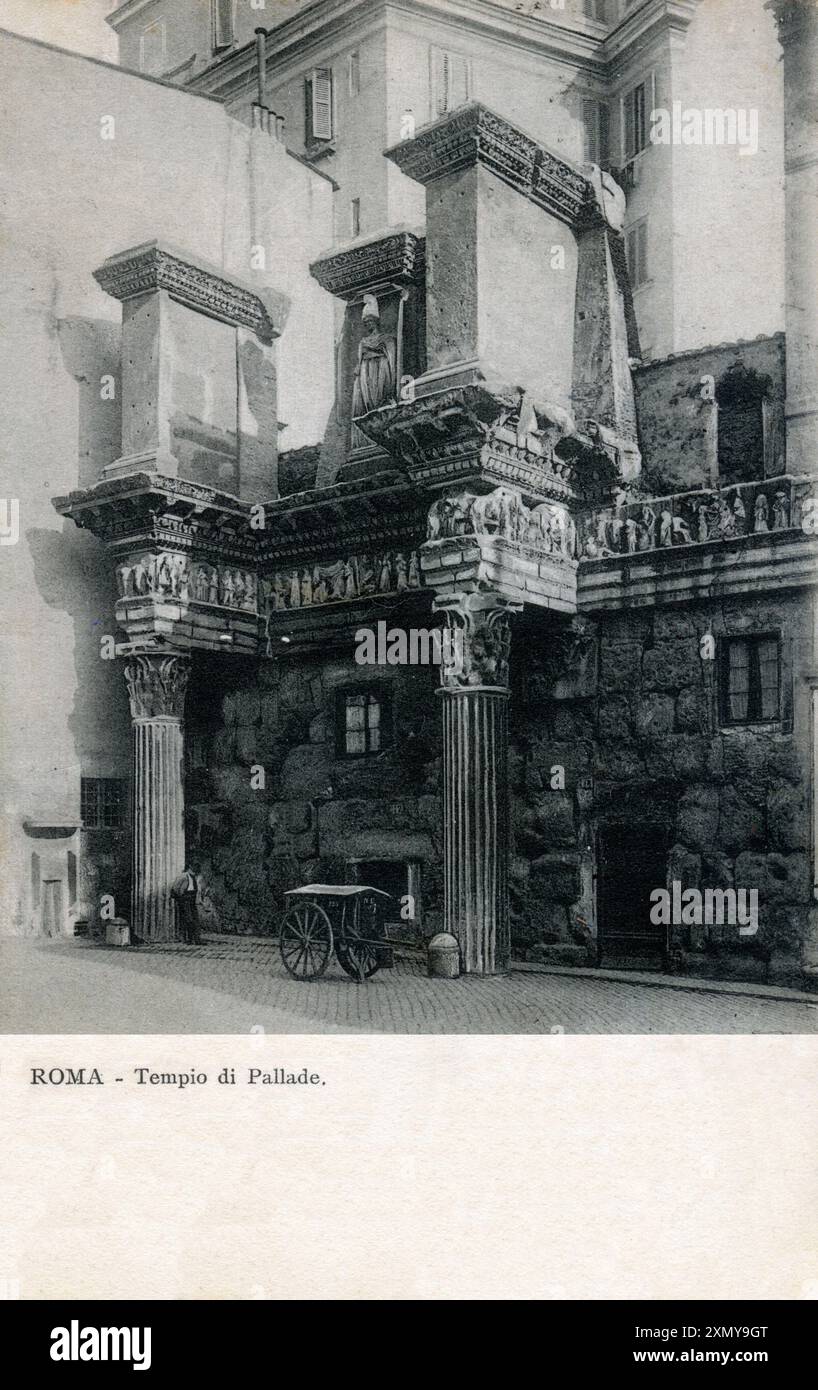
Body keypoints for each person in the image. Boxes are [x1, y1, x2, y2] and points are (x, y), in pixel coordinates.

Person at [171, 861, 201, 945]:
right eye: (195, 866)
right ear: (190, 866)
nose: (197, 868)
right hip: (185, 899)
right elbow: (175, 888)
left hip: (192, 899)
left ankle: (196, 939)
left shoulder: (195, 877)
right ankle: (188, 939)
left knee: (195, 919)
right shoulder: (183, 876)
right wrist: (181, 898)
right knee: (188, 919)